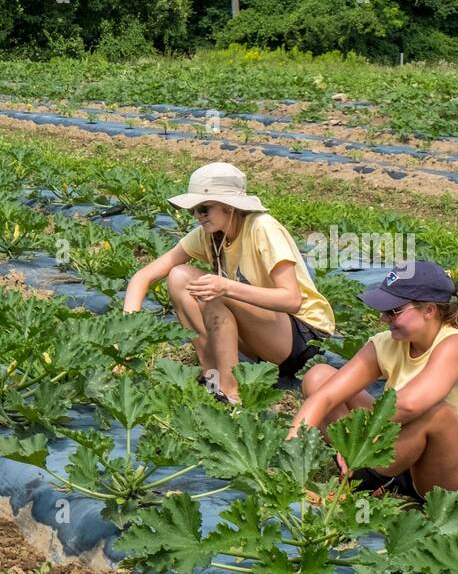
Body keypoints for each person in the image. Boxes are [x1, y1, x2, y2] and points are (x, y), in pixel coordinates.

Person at [122, 162, 336, 402]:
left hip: (301, 339)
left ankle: (230, 392)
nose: (198, 217)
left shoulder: (262, 228)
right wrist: (127, 335)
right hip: (262, 337)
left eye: (204, 209)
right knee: (179, 276)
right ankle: (212, 379)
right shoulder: (210, 236)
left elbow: (291, 299)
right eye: (193, 210)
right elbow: (144, 276)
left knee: (215, 291)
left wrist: (226, 287)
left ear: (229, 206)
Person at [291, 261, 458, 499]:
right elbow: (326, 395)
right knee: (319, 377)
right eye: (383, 311)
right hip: (402, 456)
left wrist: (363, 439)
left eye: (393, 311)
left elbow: (409, 404)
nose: (384, 318)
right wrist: (291, 446)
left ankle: (361, 480)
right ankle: (368, 470)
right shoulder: (387, 342)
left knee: (434, 412)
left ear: (429, 310)